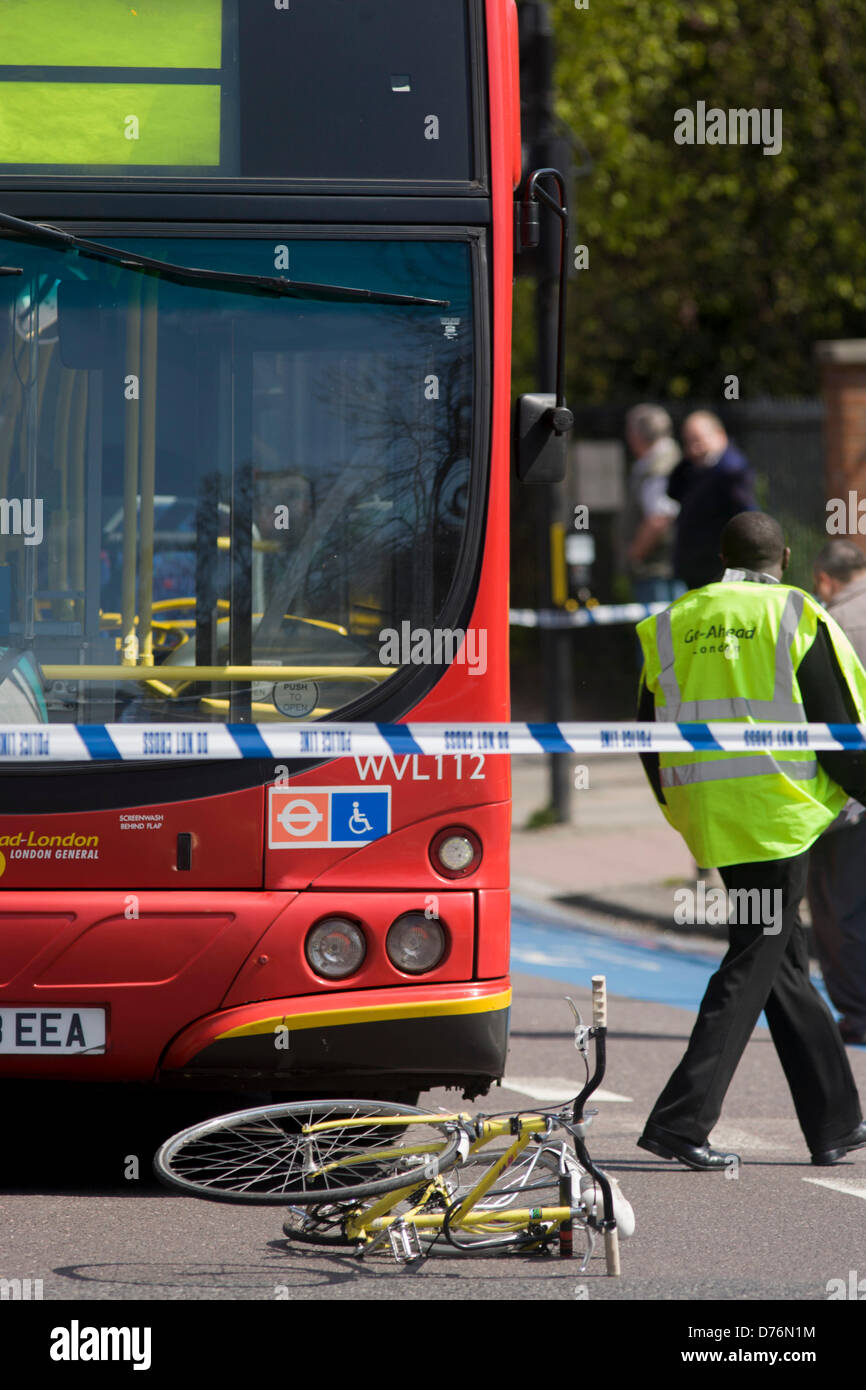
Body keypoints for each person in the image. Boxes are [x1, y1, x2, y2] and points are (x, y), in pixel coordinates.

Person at [634, 511, 866, 1169]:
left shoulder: (674, 619)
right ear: (785, 557)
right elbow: (837, 726)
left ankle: (836, 1121)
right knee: (754, 958)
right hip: (777, 815)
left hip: (714, 813)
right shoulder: (795, 614)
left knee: (783, 962)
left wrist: (676, 804)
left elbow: (646, 729)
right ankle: (681, 1121)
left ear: (720, 554)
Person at [808, 540, 866, 1045]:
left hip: (843, 792)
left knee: (837, 904)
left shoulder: (830, 626)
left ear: (824, 579)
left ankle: (856, 1011)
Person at [667, 411, 756, 590]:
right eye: (688, 442)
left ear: (720, 436)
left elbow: (745, 515)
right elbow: (672, 491)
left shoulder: (731, 471)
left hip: (719, 568)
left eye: (698, 440)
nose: (694, 448)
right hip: (696, 567)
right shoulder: (694, 470)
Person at [624, 404, 683, 606]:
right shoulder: (659, 462)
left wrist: (634, 555)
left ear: (636, 434)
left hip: (658, 571)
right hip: (659, 568)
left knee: (662, 635)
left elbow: (659, 519)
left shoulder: (660, 466)